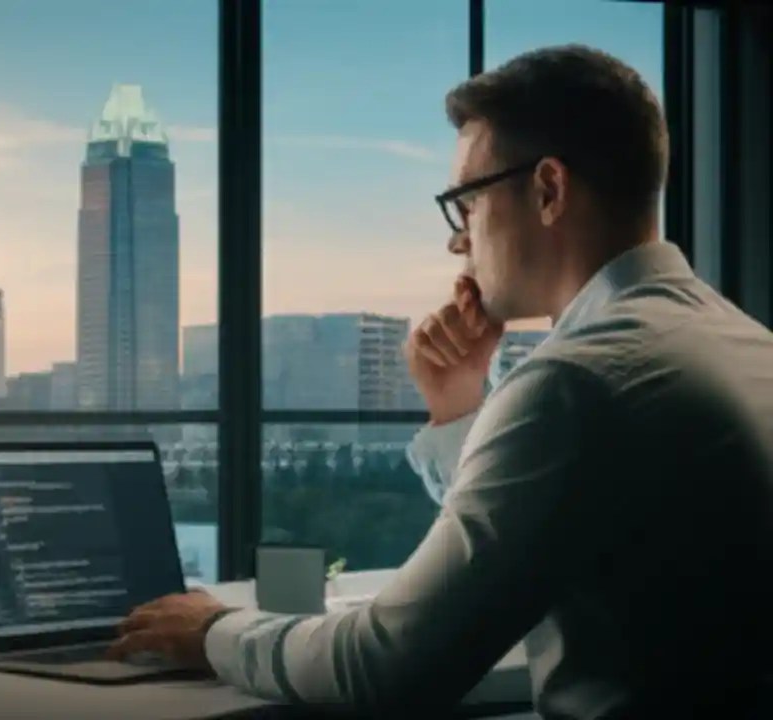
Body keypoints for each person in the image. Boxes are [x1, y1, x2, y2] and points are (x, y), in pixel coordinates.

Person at [108, 44, 773, 718]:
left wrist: (214, 631)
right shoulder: (746, 347)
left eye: (467, 204)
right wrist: (458, 409)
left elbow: (380, 668)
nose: (458, 243)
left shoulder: (576, 382)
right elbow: (541, 539)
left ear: (548, 190)